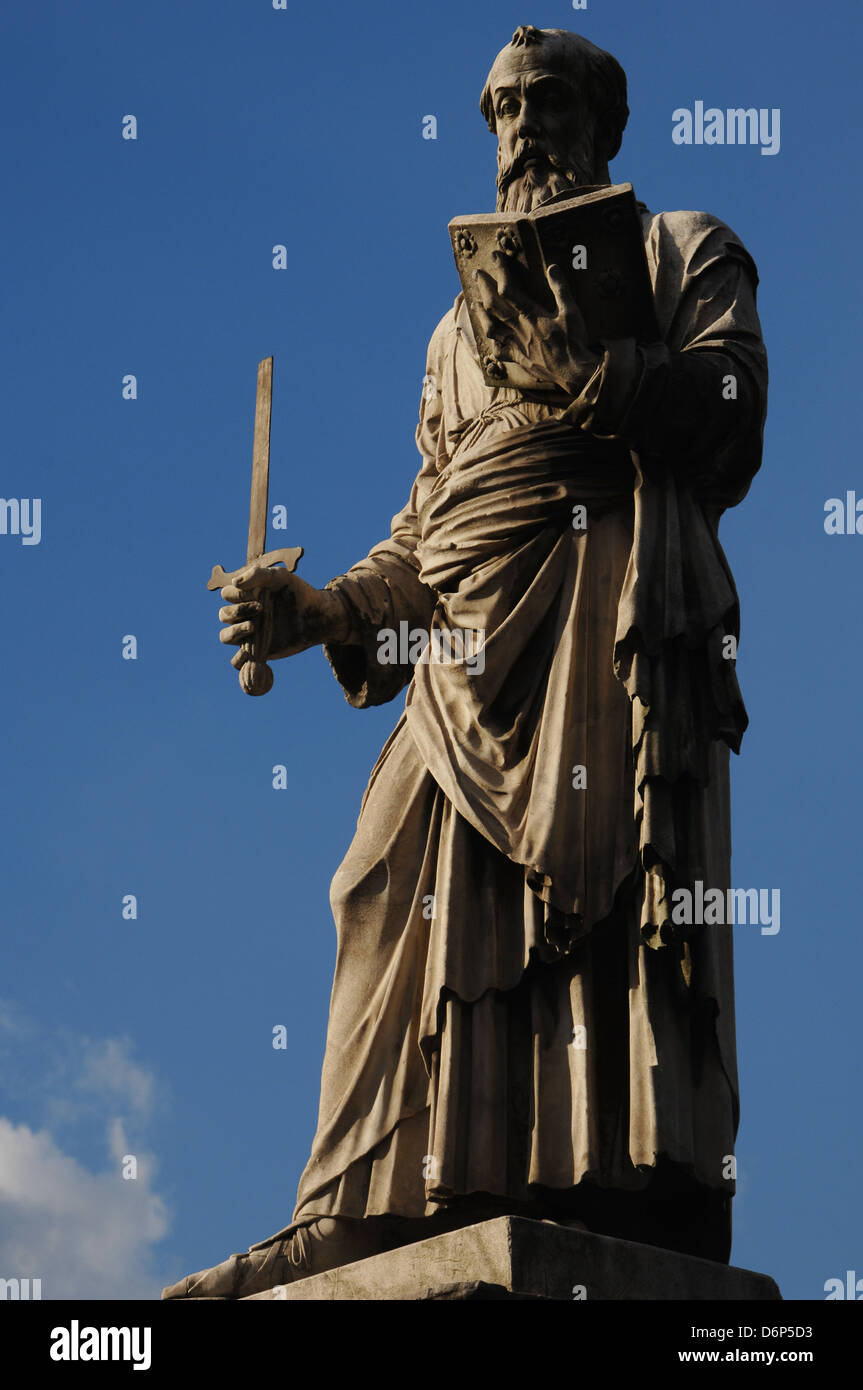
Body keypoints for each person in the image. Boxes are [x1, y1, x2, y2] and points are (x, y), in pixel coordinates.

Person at [163, 24, 767, 1301]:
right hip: (459, 650)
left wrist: (596, 374)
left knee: (601, 910)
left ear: (604, 124)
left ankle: (617, 1182)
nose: (519, 132)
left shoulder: (679, 249)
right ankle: (364, 1199)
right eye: (498, 110)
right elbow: (424, 533)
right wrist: (318, 609)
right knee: (378, 883)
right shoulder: (453, 337)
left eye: (545, 104)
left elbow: (730, 410)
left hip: (603, 620)